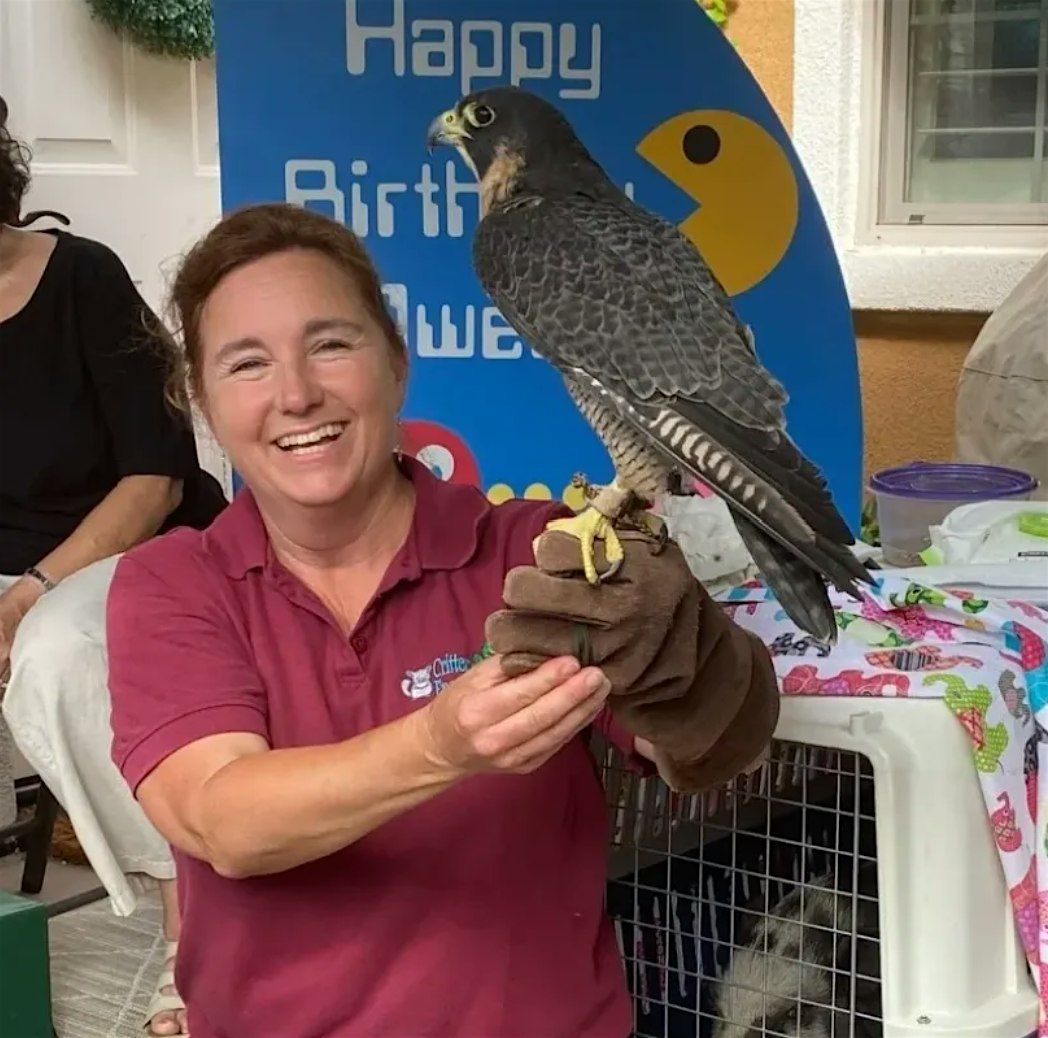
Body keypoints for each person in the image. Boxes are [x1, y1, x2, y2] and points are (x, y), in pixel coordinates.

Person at [105, 201, 780, 1037]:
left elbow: (710, 747)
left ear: (396, 362)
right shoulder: (172, 583)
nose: (297, 394)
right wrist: (439, 745)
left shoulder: (536, 554)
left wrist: (679, 650)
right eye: (246, 364)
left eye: (331, 344)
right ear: (200, 401)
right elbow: (224, 821)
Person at [0, 95, 226, 1036]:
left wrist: (31, 592)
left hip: (125, 542)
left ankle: (198, 930)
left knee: (60, 652)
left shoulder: (81, 277)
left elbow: (157, 476)